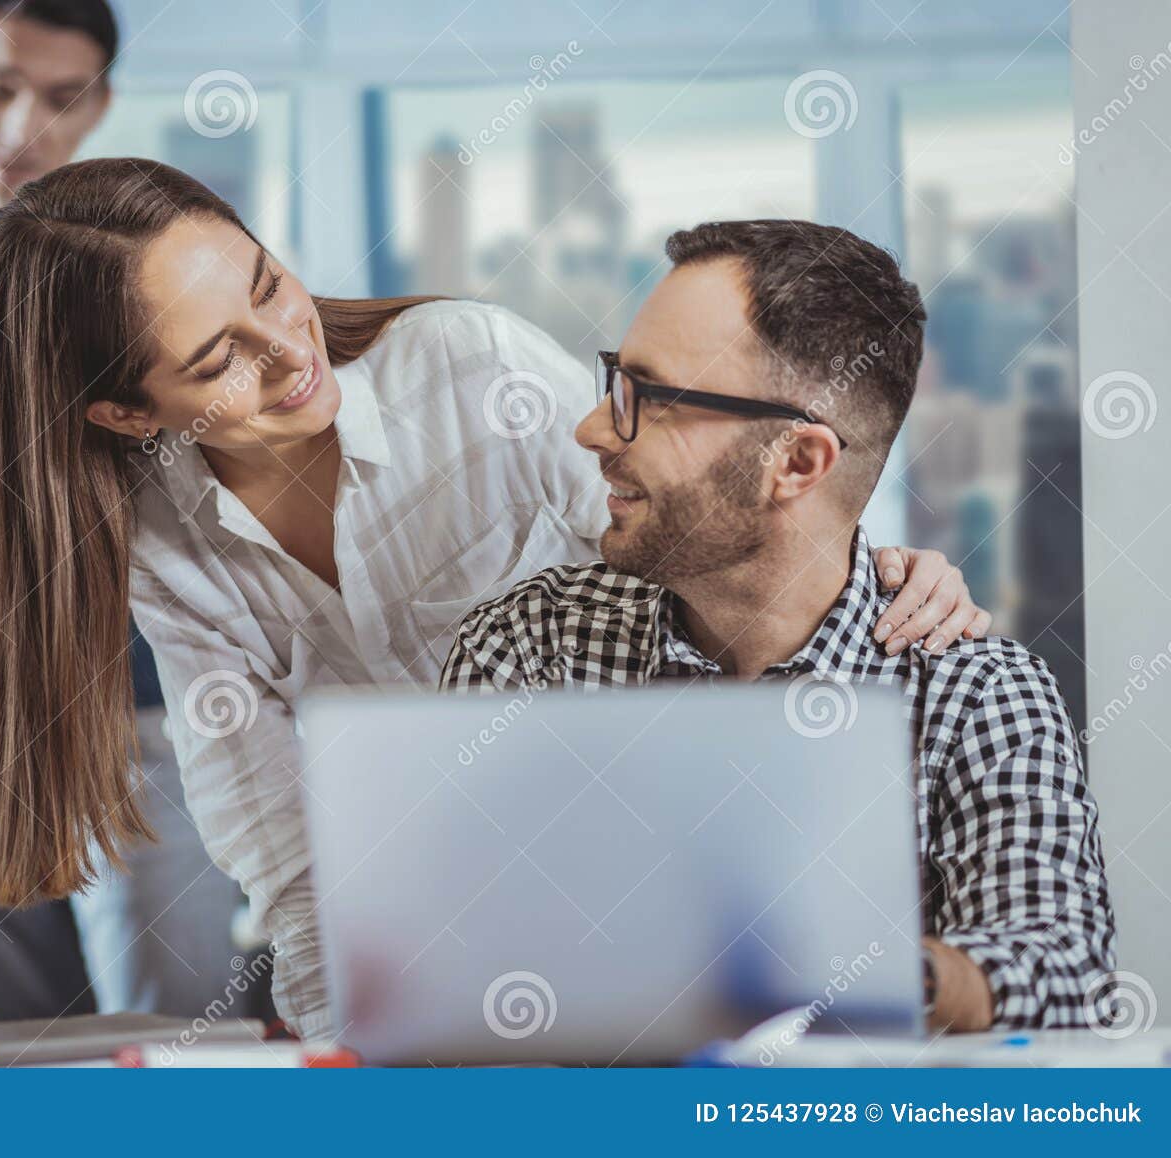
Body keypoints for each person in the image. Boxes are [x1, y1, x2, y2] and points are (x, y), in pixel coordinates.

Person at [0, 158, 992, 1040]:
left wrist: (864, 569)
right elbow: (287, 859)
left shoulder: (465, 369)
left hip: (650, 880)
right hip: (431, 953)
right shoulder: (159, 544)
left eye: (269, 287)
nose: (288, 349)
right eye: (217, 359)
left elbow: (704, 517)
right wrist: (357, 1070)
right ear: (125, 410)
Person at [441, 219, 1116, 1031]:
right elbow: (448, 972)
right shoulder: (532, 648)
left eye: (647, 400)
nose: (592, 430)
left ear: (797, 463)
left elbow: (1065, 977)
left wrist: (849, 968)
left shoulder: (974, 696)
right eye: (617, 381)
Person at [0, 0, 244, 1021]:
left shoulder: (148, 273)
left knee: (170, 1050)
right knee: (10, 1065)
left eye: (61, 99)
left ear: (101, 107)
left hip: (139, 723)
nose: (22, 129)